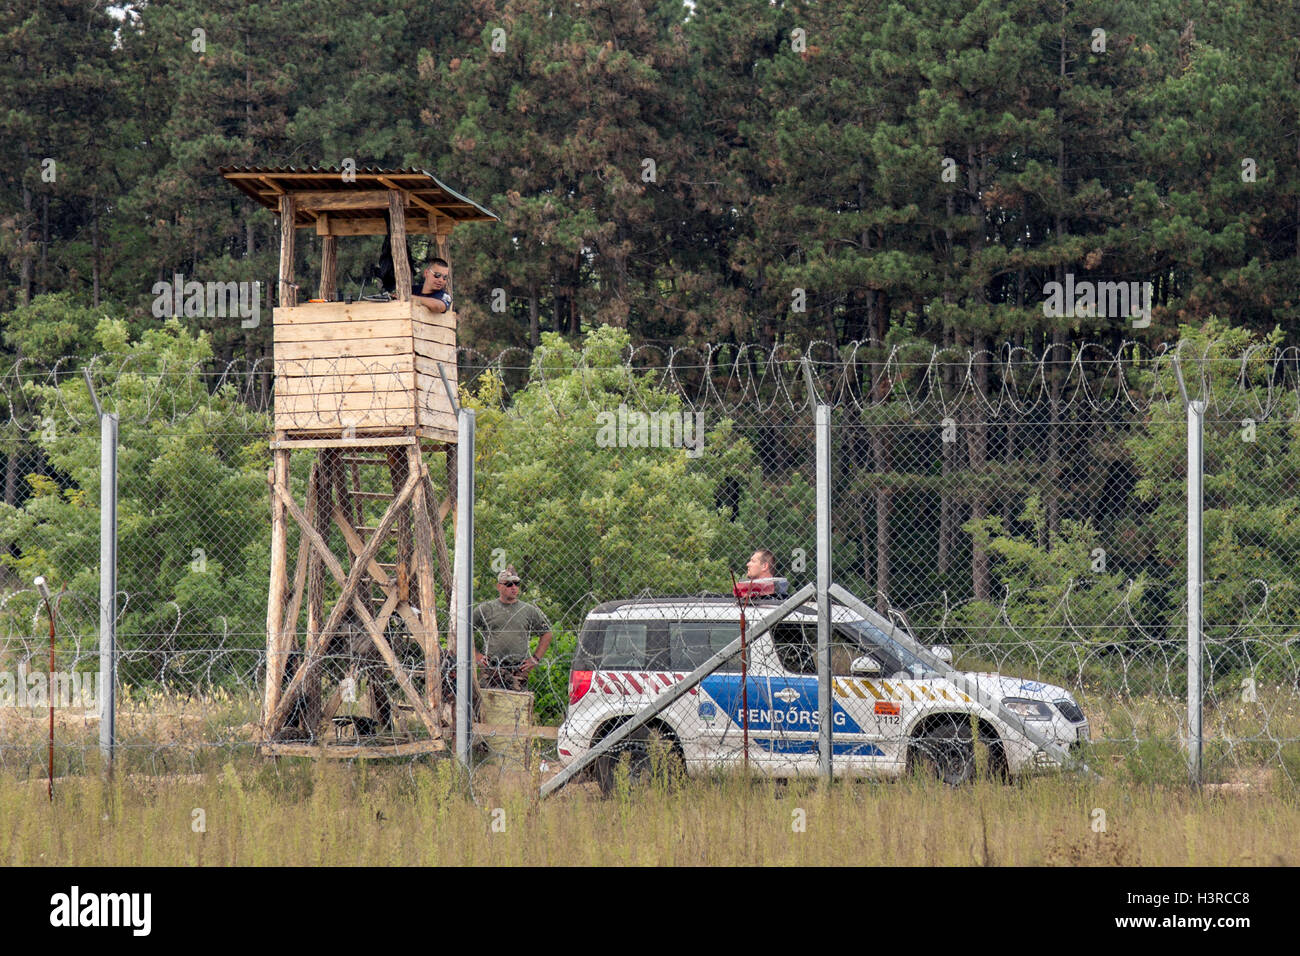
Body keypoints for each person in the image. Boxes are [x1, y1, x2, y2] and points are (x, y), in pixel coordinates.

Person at [471, 565, 552, 691]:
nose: (514, 587)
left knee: (517, 707)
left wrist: (535, 659)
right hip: (491, 669)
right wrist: (476, 655)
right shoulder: (486, 609)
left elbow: (546, 634)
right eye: (509, 584)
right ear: (499, 586)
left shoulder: (528, 610)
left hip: (518, 670)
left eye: (516, 583)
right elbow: (466, 630)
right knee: (488, 707)